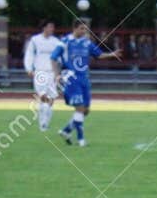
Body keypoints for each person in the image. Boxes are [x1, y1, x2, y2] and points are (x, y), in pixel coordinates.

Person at [53, 19, 119, 147]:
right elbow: (53, 58)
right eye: (82, 29)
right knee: (79, 108)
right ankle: (81, 140)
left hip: (84, 79)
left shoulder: (86, 43)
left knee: (85, 110)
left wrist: (111, 54)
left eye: (85, 29)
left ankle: (66, 131)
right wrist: (57, 75)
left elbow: (98, 55)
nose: (84, 31)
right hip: (71, 79)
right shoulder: (65, 42)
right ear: (75, 28)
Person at [23, 19, 62, 132]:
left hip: (52, 73)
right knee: (43, 97)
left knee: (51, 99)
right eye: (50, 27)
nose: (52, 29)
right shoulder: (35, 40)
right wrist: (29, 68)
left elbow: (59, 57)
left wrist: (58, 72)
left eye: (53, 27)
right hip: (40, 72)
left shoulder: (56, 41)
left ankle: (45, 123)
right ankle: (42, 125)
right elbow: (29, 54)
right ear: (44, 28)